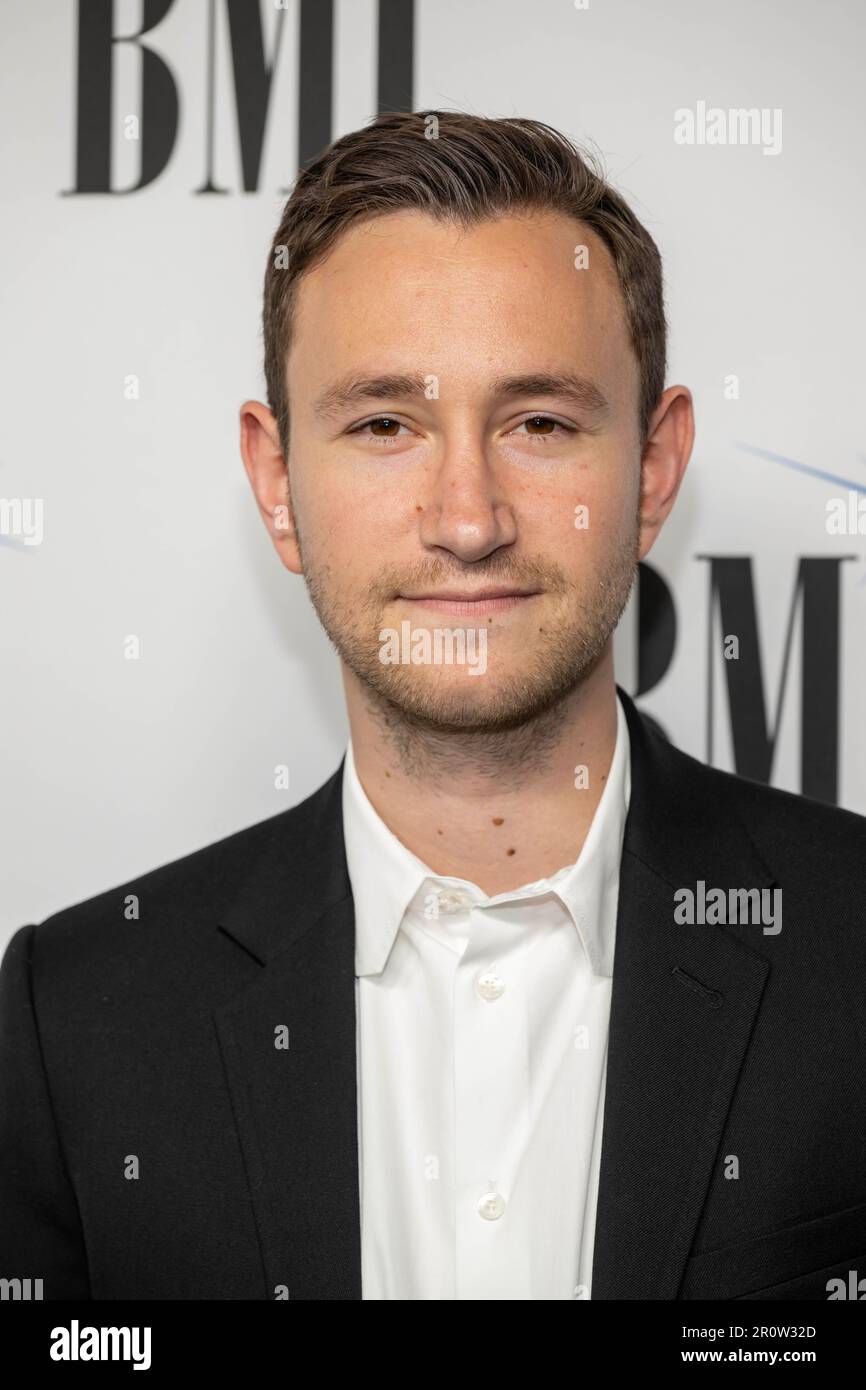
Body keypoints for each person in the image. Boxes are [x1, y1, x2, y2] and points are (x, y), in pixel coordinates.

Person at [2, 110, 865, 1301]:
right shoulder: (76, 1019)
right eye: (383, 426)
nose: (468, 518)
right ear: (278, 483)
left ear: (654, 469)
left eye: (541, 423)